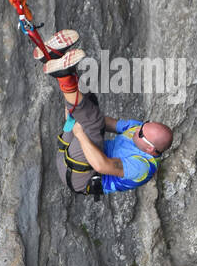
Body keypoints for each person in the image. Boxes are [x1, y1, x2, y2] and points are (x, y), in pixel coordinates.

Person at [35, 34, 173, 196]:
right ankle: (53, 59)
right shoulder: (140, 129)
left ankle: (63, 75)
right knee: (89, 104)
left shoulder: (141, 166)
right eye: (144, 124)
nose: (138, 128)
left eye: (141, 132)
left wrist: (81, 132)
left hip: (80, 175)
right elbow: (107, 122)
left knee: (90, 123)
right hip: (71, 151)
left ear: (149, 148)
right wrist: (84, 112)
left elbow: (102, 165)